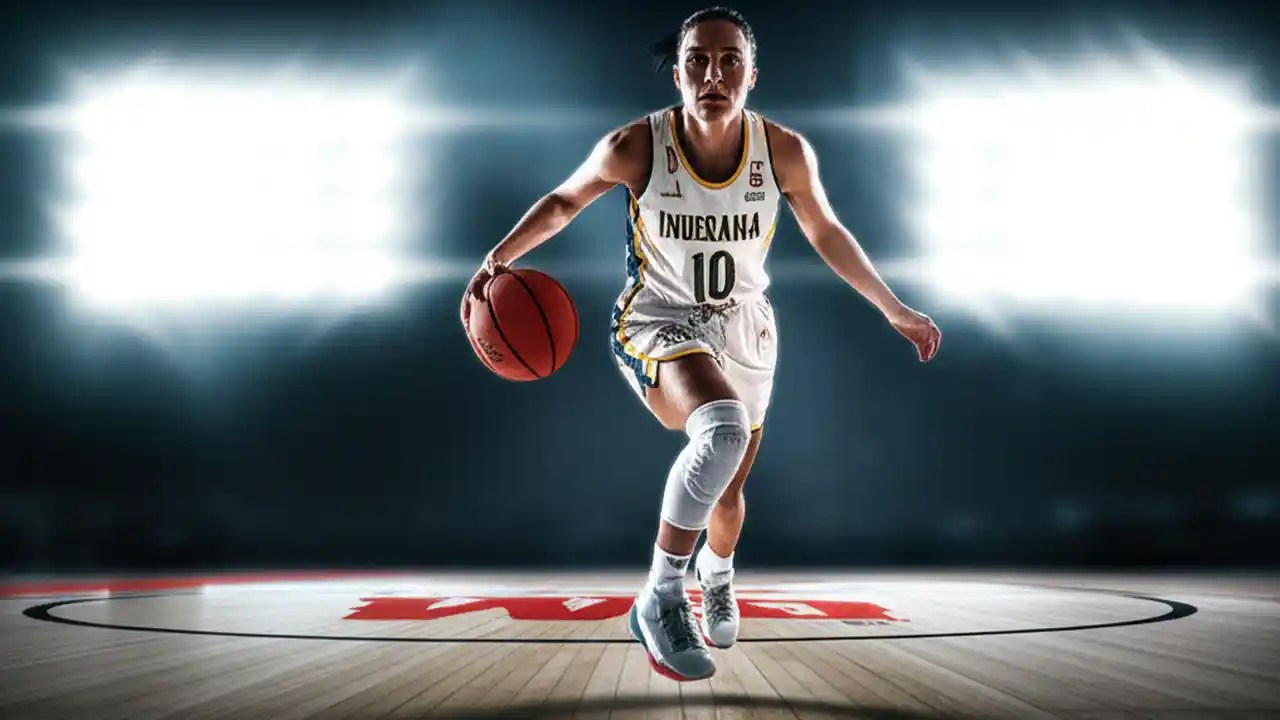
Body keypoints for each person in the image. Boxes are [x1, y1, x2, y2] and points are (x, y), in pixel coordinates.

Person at [461, 6, 941, 681]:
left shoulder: (783, 151)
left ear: (752, 73)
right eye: (697, 59)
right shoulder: (635, 146)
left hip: (746, 325)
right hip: (658, 317)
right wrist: (497, 257)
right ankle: (659, 597)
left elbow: (827, 232)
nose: (712, 73)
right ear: (679, 70)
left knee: (728, 489)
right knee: (720, 431)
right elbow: (566, 201)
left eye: (728, 60)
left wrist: (893, 308)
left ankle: (718, 574)